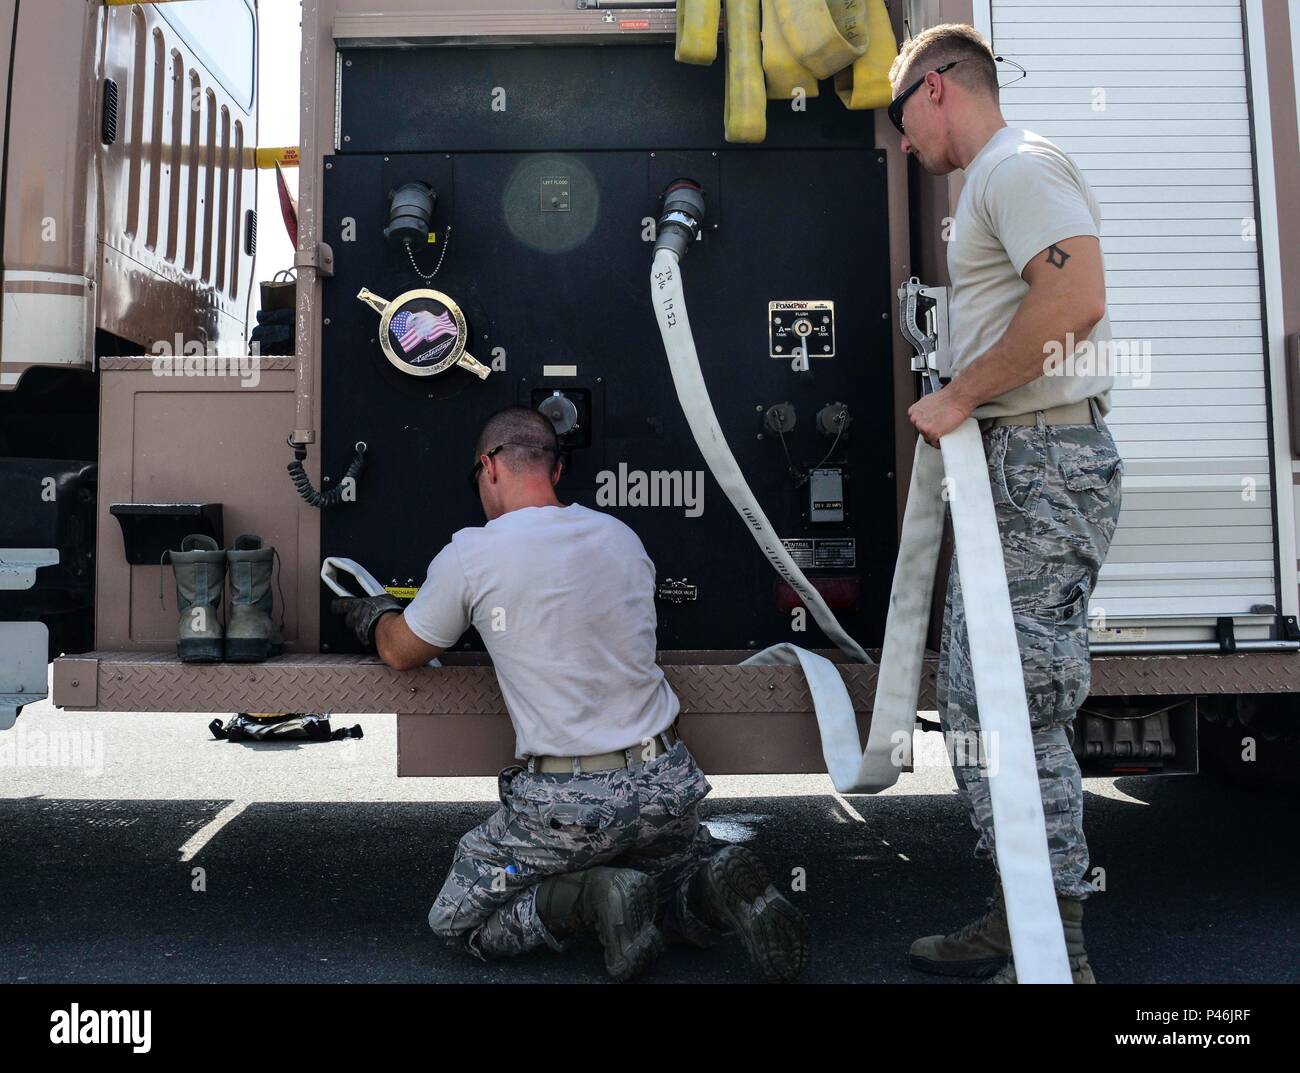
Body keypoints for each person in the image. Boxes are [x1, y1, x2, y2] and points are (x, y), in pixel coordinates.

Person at [332, 406, 810, 982]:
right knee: (668, 899)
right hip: (668, 785)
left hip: (570, 806)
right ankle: (708, 889)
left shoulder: (473, 552)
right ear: (554, 472)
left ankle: (591, 895)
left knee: (456, 922)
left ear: (488, 468)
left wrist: (375, 613)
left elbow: (402, 651)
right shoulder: (623, 538)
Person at [887, 23, 1124, 983]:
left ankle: (1055, 948)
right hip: (1013, 470)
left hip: (1042, 466)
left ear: (938, 88)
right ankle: (1016, 912)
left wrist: (958, 394)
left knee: (1015, 708)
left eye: (902, 116)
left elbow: (1076, 301)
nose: (903, 142)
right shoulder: (993, 179)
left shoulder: (1014, 167)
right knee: (982, 705)